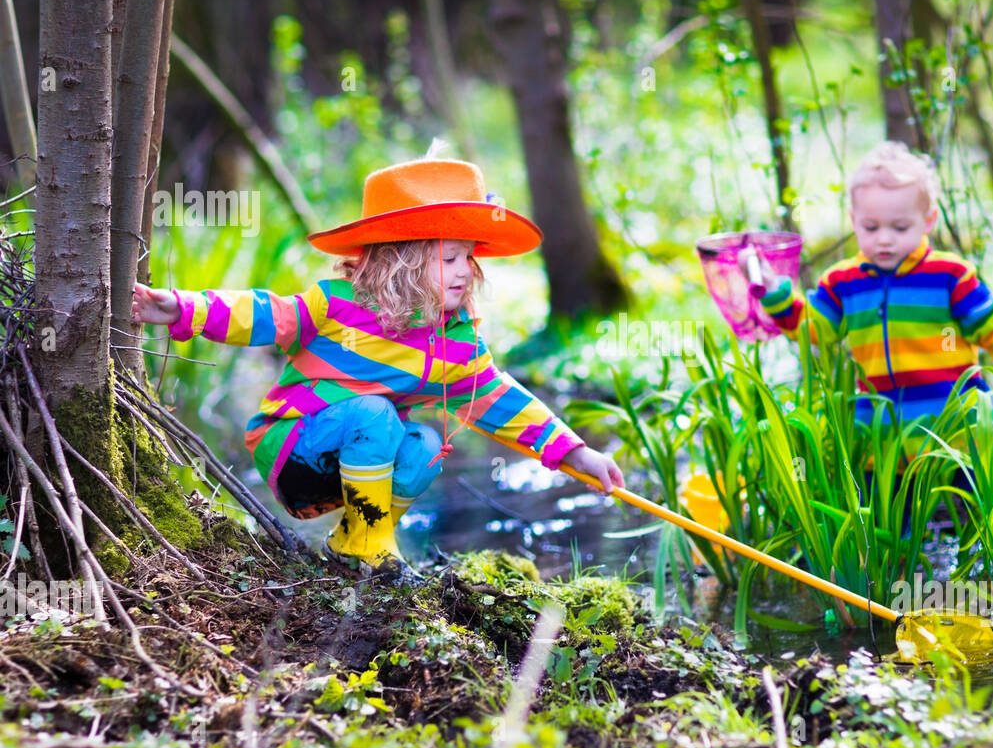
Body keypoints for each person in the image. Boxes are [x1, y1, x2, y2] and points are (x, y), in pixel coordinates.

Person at [132, 156, 624, 582]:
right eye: (449, 257)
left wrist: (575, 454)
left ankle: (355, 544)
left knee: (428, 445)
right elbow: (264, 313)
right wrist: (182, 309)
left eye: (468, 258)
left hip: (360, 464)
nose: (463, 271)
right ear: (401, 261)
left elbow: (502, 401)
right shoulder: (336, 305)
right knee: (373, 412)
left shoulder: (455, 344)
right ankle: (373, 546)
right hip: (292, 448)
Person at [746, 140, 993, 535]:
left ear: (928, 221)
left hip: (955, 426)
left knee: (989, 504)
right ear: (853, 220)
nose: (884, 239)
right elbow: (813, 330)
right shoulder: (843, 282)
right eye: (871, 228)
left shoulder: (949, 276)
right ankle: (895, 581)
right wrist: (776, 294)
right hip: (881, 433)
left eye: (900, 227)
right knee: (887, 522)